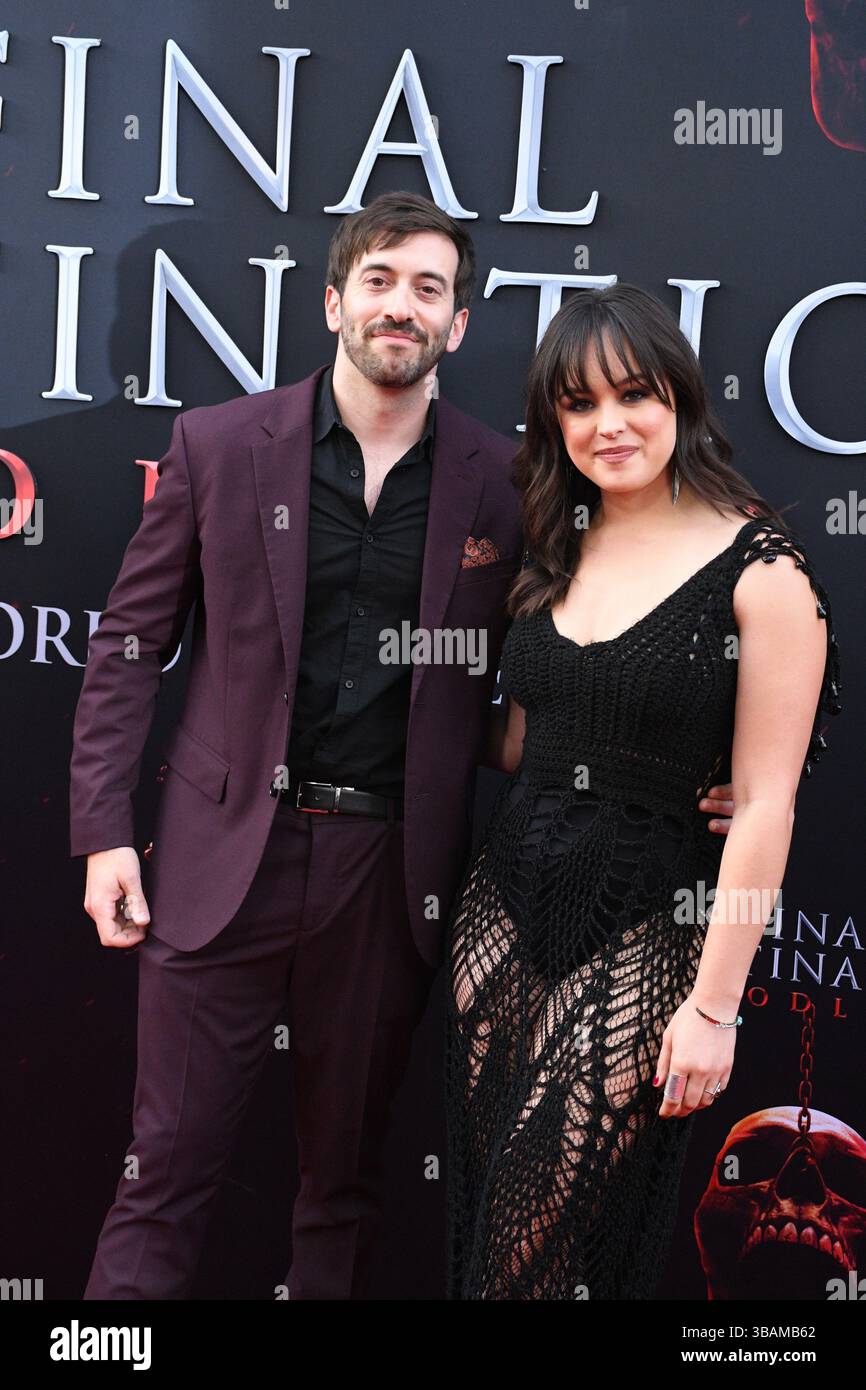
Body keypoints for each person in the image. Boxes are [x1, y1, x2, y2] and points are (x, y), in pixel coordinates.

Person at [70, 193, 732, 1300]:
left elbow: (580, 657)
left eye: (429, 288)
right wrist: (102, 834)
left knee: (343, 1189)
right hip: (217, 863)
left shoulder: (508, 484)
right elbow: (129, 647)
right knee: (164, 1172)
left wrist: (685, 771)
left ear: (457, 325)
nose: (400, 305)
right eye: (378, 280)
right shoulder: (217, 446)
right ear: (334, 301)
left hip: (390, 880)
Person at [444, 282, 842, 1300]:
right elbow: (522, 742)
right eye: (578, 404)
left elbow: (764, 803)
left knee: (527, 1253)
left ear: (680, 398)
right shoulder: (553, 541)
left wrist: (714, 1009)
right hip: (500, 921)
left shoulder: (761, 570)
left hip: (647, 932)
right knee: (482, 1226)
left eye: (633, 395)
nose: (608, 425)